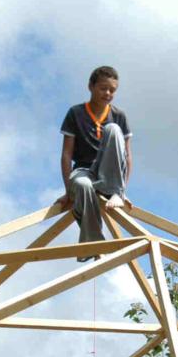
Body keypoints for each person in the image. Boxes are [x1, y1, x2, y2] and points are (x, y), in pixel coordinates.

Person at [55, 66, 133, 251]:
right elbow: (66, 154)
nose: (107, 93)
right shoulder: (76, 113)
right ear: (91, 86)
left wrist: (122, 190)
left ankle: (115, 192)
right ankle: (94, 244)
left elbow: (127, 155)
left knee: (113, 129)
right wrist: (68, 191)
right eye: (103, 88)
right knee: (82, 185)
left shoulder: (118, 115)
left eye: (112, 90)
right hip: (84, 171)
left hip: (110, 175)